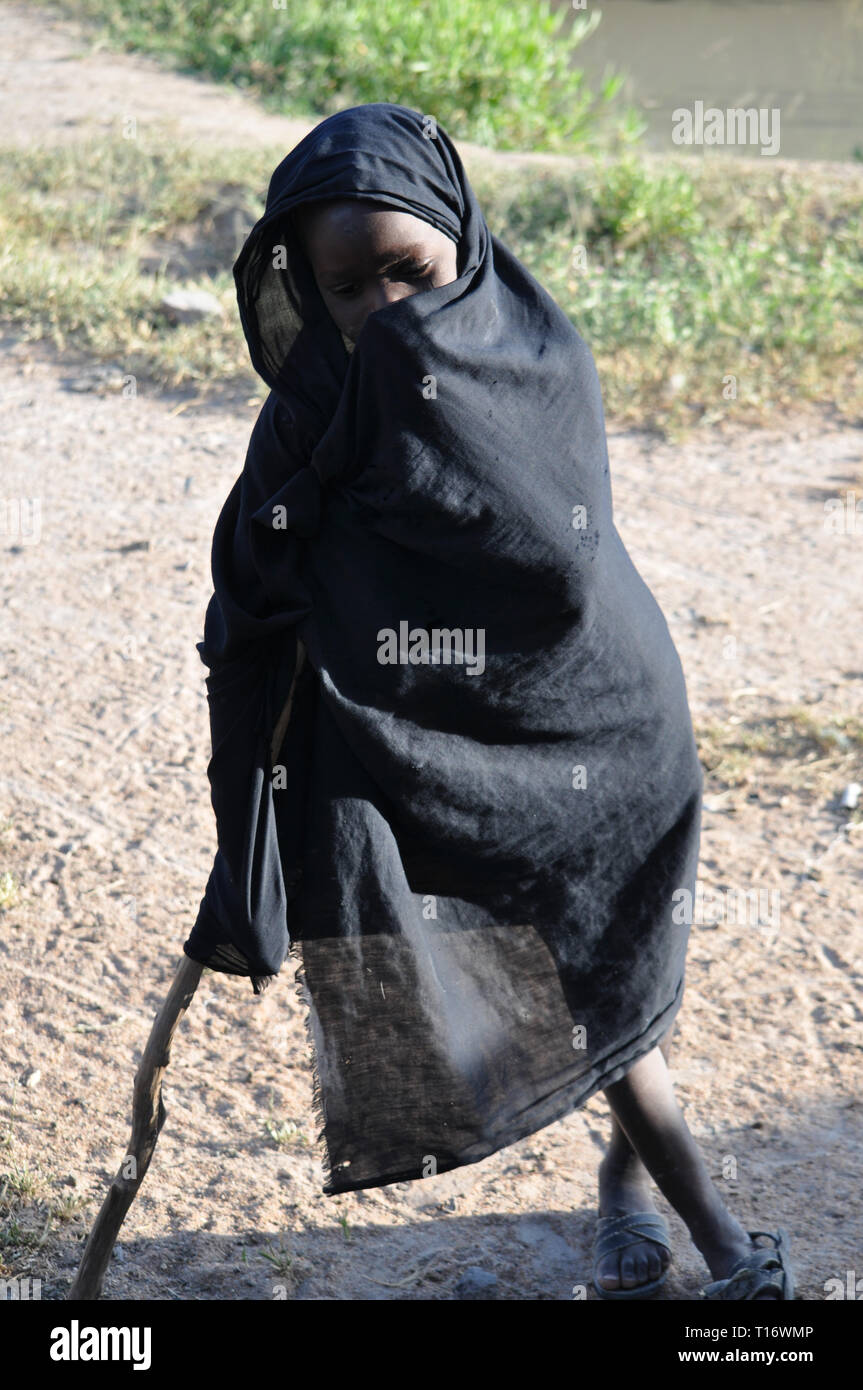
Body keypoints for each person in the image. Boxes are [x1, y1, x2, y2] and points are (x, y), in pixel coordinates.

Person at [184, 102, 793, 1300]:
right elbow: (251, 588)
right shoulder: (310, 413)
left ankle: (722, 1245)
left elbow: (550, 565)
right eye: (347, 289)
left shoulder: (528, 368)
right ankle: (650, 1206)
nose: (384, 312)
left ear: (457, 244)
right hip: (434, 761)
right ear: (306, 290)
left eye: (408, 274)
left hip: (594, 728)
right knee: (583, 987)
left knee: (595, 978)